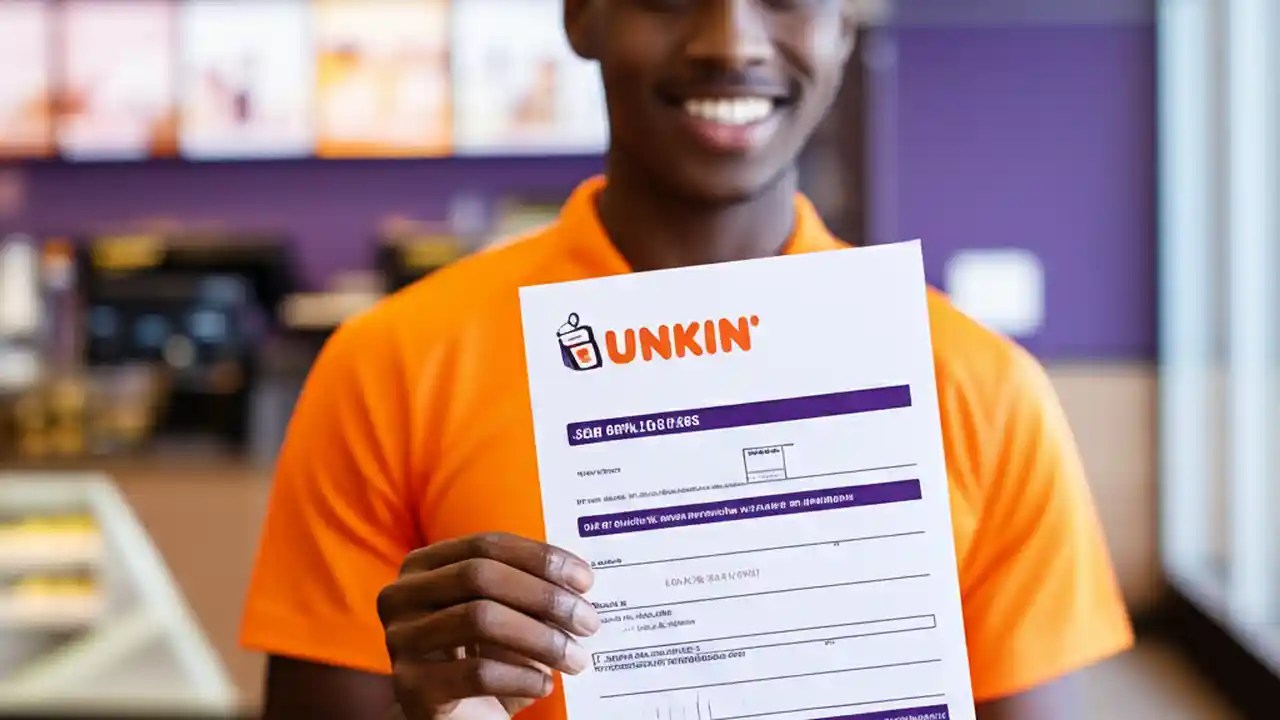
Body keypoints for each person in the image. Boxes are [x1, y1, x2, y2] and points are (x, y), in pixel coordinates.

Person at [242, 1, 1134, 718]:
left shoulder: (985, 388)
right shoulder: (389, 363)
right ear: (580, 15)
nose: (727, 40)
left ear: (842, 23)